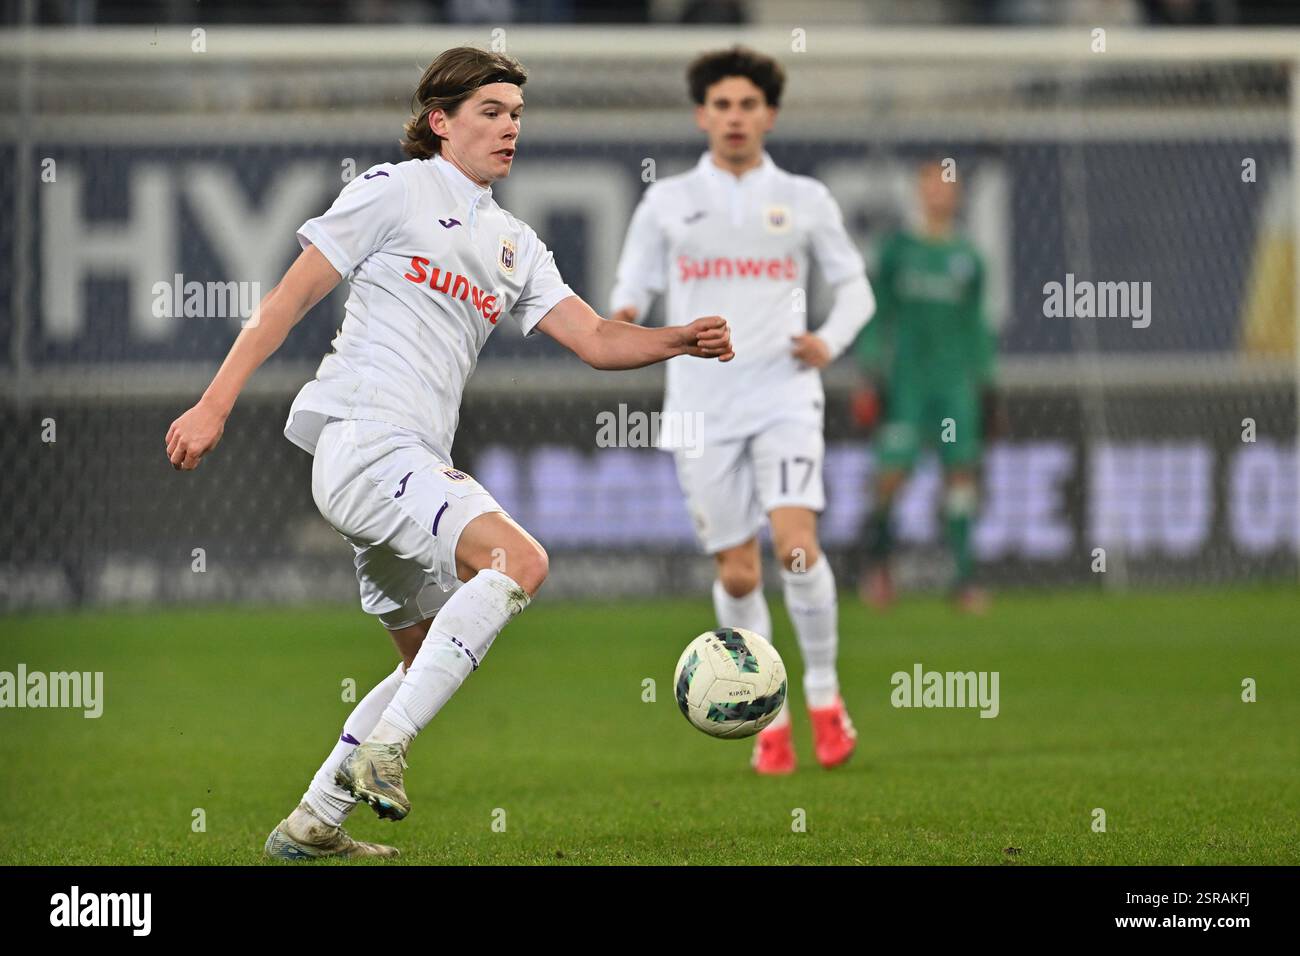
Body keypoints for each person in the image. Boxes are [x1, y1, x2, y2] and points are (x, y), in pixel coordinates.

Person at [164, 46, 733, 860]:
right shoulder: (394, 190)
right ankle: (383, 751)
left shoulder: (513, 243)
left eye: (517, 115)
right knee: (520, 561)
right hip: (366, 437)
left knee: (432, 654)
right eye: (491, 112)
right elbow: (285, 303)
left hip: (402, 460)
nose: (509, 129)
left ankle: (312, 824)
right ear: (441, 121)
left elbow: (598, 339)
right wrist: (213, 404)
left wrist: (678, 338)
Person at [609, 46, 874, 775]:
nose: (735, 117)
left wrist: (827, 339)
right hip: (699, 406)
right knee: (738, 574)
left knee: (796, 546)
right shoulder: (666, 203)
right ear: (702, 114)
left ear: (770, 115)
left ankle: (824, 696)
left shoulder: (806, 198)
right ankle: (772, 718)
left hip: (785, 392)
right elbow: (628, 293)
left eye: (748, 105)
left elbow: (856, 289)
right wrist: (627, 319)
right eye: (722, 105)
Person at [854, 159, 999, 613]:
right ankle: (878, 570)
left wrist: (988, 382)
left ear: (956, 196)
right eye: (930, 186)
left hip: (955, 385)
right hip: (908, 384)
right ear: (918, 193)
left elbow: (977, 325)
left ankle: (963, 578)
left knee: (960, 474)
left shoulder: (969, 259)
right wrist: (870, 369)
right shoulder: (898, 251)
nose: (938, 194)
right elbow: (877, 315)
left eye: (946, 187)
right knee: (892, 475)